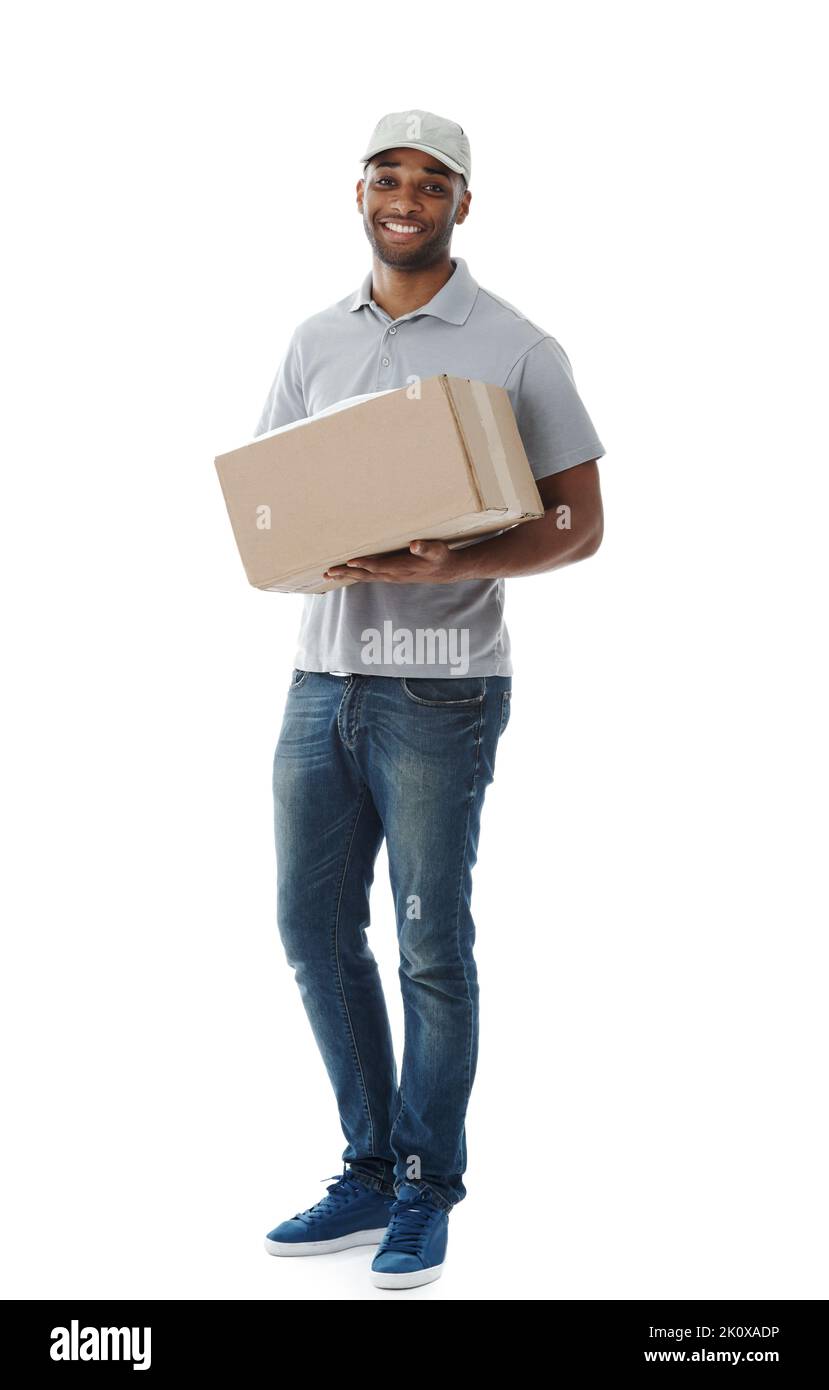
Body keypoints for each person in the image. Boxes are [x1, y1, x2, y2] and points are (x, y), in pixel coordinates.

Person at [257, 109, 606, 1289]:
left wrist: (449, 560)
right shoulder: (313, 339)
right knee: (312, 930)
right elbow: (270, 507)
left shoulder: (517, 346)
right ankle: (364, 1164)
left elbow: (580, 523)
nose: (406, 197)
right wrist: (321, 543)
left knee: (429, 947)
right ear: (358, 194)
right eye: (386, 177)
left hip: (441, 691)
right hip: (321, 679)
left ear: (464, 204)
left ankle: (424, 1185)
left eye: (432, 181)